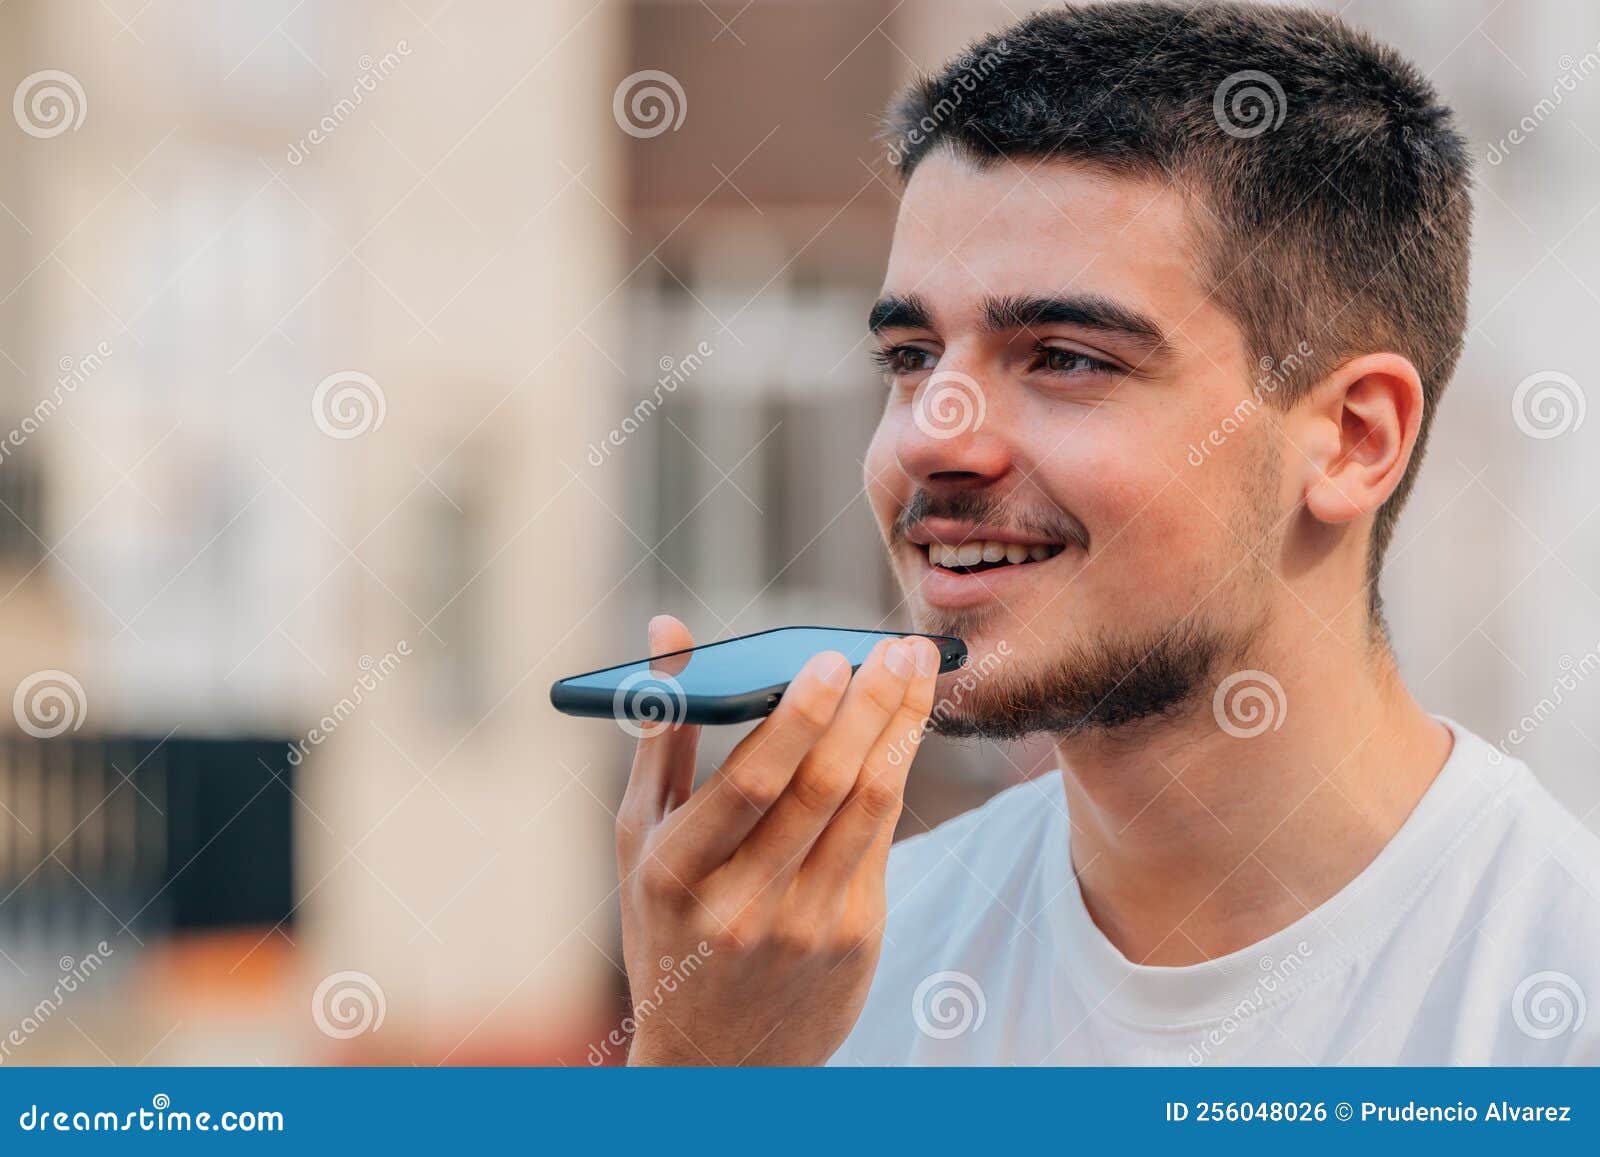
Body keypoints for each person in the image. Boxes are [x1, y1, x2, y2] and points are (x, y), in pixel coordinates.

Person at [612, 0, 1600, 1065]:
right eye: (910, 356)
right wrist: (701, 1077)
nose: (934, 438)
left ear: (1354, 439)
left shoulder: (1549, 994)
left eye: (1066, 356)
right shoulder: (806, 983)